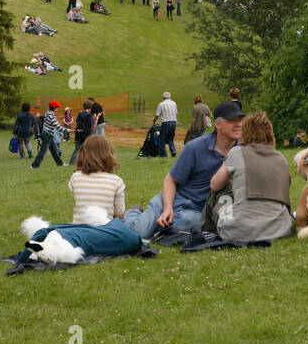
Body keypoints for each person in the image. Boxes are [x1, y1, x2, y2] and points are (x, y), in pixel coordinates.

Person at [124, 100, 244, 237]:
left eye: (240, 120)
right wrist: (168, 208)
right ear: (217, 124)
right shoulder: (195, 147)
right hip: (175, 199)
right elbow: (170, 180)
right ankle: (132, 213)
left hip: (199, 211)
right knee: (140, 232)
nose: (238, 124)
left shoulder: (243, 153)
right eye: (231, 120)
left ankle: (160, 225)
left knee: (184, 226)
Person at [203, 111, 293, 241]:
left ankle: (207, 229)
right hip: (279, 229)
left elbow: (214, 185)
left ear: (245, 132)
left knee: (221, 190)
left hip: (239, 230)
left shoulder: (237, 152)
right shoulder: (281, 158)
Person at [69, 136, 126, 222]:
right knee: (133, 212)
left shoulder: (76, 177)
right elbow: (120, 214)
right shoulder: (116, 181)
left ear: (83, 154)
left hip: (78, 231)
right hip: (104, 231)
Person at [31, 100, 65, 168]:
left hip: (48, 134)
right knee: (43, 151)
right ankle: (34, 165)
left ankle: (60, 163)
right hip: (47, 135)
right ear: (54, 107)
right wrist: (69, 130)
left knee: (54, 151)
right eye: (57, 107)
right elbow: (58, 127)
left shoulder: (48, 112)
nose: (58, 108)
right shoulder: (51, 115)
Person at [68, 100, 94, 165]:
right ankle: (89, 163)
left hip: (79, 133)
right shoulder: (89, 116)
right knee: (89, 150)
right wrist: (96, 118)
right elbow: (93, 125)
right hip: (87, 134)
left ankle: (72, 162)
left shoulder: (80, 114)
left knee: (77, 149)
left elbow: (77, 121)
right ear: (90, 107)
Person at [155, 91, 178, 159]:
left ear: (163, 97)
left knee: (162, 139)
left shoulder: (161, 104)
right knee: (170, 138)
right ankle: (173, 151)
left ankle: (163, 155)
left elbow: (157, 115)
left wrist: (154, 120)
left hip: (166, 123)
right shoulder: (174, 103)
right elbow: (176, 112)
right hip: (174, 123)